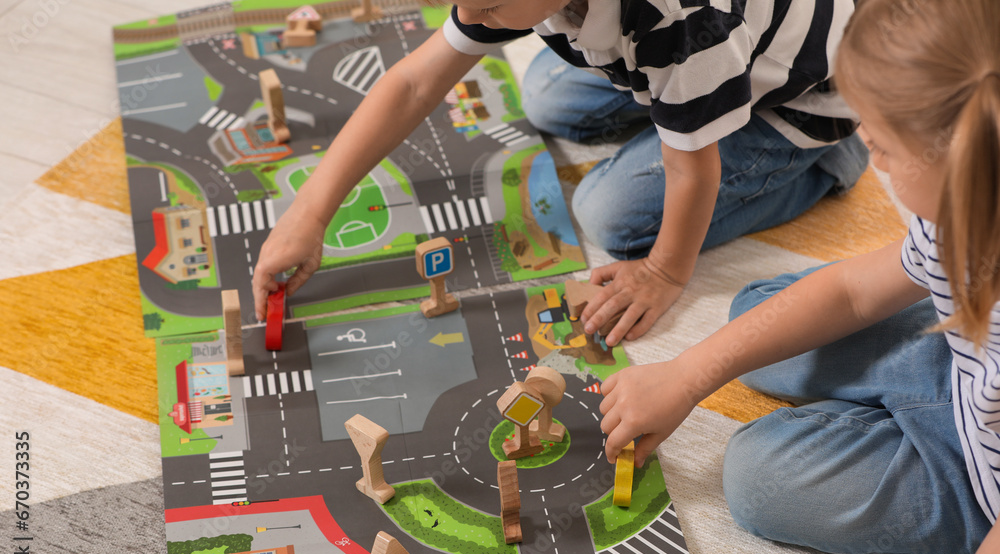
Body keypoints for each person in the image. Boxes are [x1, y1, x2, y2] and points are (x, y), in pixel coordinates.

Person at [599, 0, 1000, 554]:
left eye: (881, 147)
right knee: (752, 316)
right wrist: (688, 373)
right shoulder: (963, 197)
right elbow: (849, 289)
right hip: (960, 357)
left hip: (980, 475)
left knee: (757, 477)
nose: (874, 156)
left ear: (959, 160)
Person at [251, 0, 869, 342]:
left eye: (489, 5)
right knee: (547, 100)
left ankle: (828, 159)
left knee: (612, 216)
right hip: (686, 52)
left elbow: (694, 175)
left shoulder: (686, 28)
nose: (471, 11)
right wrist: (310, 211)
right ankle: (678, 106)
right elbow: (415, 82)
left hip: (806, 97)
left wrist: (662, 273)